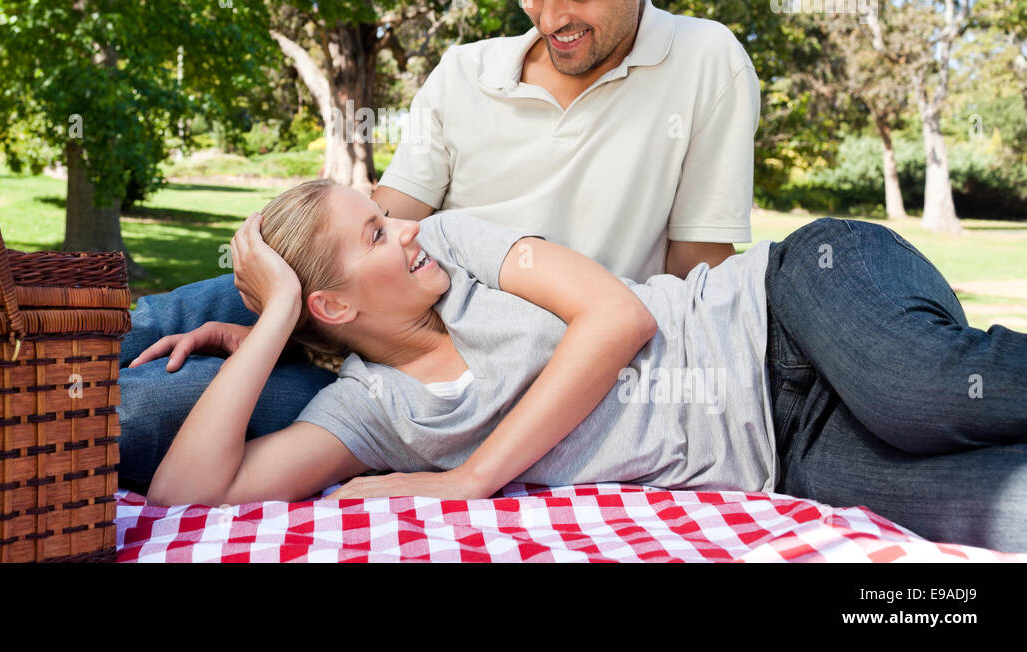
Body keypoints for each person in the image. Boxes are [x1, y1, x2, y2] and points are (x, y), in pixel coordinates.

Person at [119, 0, 761, 492]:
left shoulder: (706, 60)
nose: (552, 19)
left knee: (139, 408)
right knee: (158, 320)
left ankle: (28, 422)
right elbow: (383, 226)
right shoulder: (466, 74)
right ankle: (24, 340)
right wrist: (284, 327)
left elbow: (695, 277)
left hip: (517, 354)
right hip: (379, 309)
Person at [148, 180, 1027, 554]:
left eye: (386, 212)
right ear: (330, 307)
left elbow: (620, 315)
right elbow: (185, 499)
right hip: (787, 453)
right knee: (1005, 514)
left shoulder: (457, 244)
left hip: (793, 306)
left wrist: (476, 479)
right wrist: (269, 323)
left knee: (918, 394)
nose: (407, 226)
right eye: (377, 233)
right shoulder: (375, 412)